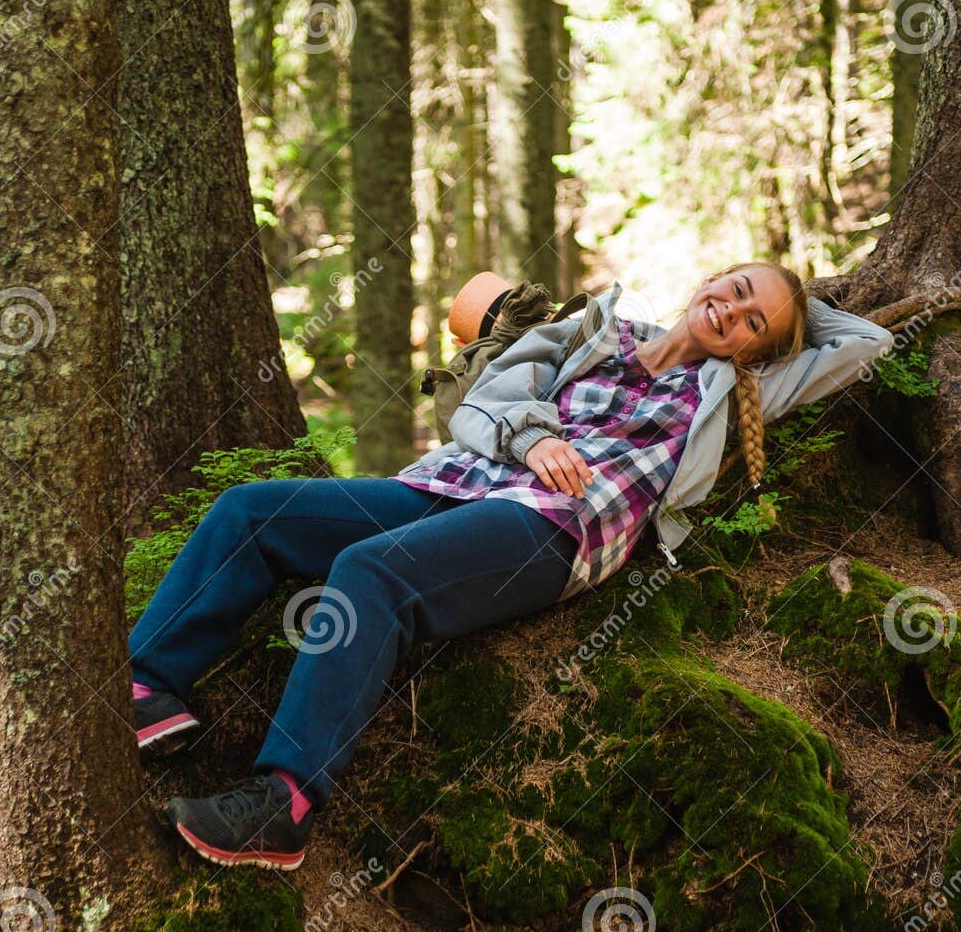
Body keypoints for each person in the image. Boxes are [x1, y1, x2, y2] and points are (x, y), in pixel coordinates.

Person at [127, 264, 893, 869]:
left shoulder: (733, 390)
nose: (733, 309)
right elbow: (484, 402)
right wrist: (533, 438)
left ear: (759, 352)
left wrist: (795, 302)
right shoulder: (595, 329)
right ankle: (148, 687)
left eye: (755, 320)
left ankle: (284, 803)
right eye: (735, 287)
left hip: (553, 526)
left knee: (370, 572)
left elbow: (867, 341)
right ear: (711, 278)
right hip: (450, 484)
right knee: (250, 513)